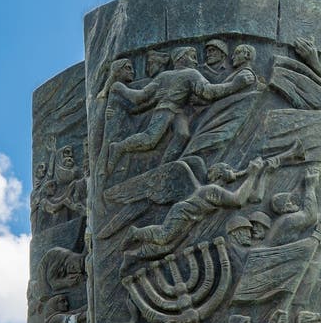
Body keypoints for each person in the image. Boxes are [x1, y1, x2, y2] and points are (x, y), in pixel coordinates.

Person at [105, 45, 255, 172]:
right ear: (181, 58)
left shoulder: (166, 75)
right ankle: (119, 147)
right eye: (193, 57)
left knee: (182, 134)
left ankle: (165, 167)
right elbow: (208, 92)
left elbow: (141, 96)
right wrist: (235, 85)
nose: (196, 61)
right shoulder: (188, 74)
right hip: (165, 110)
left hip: (178, 112)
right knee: (150, 140)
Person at [123, 158, 265, 260]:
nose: (233, 171)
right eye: (228, 168)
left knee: (168, 247)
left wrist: (265, 174)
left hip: (191, 217)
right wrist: (252, 174)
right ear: (219, 174)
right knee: (164, 237)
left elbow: (255, 198)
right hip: (183, 212)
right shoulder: (212, 189)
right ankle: (136, 233)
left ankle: (132, 256)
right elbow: (238, 200)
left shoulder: (219, 191)